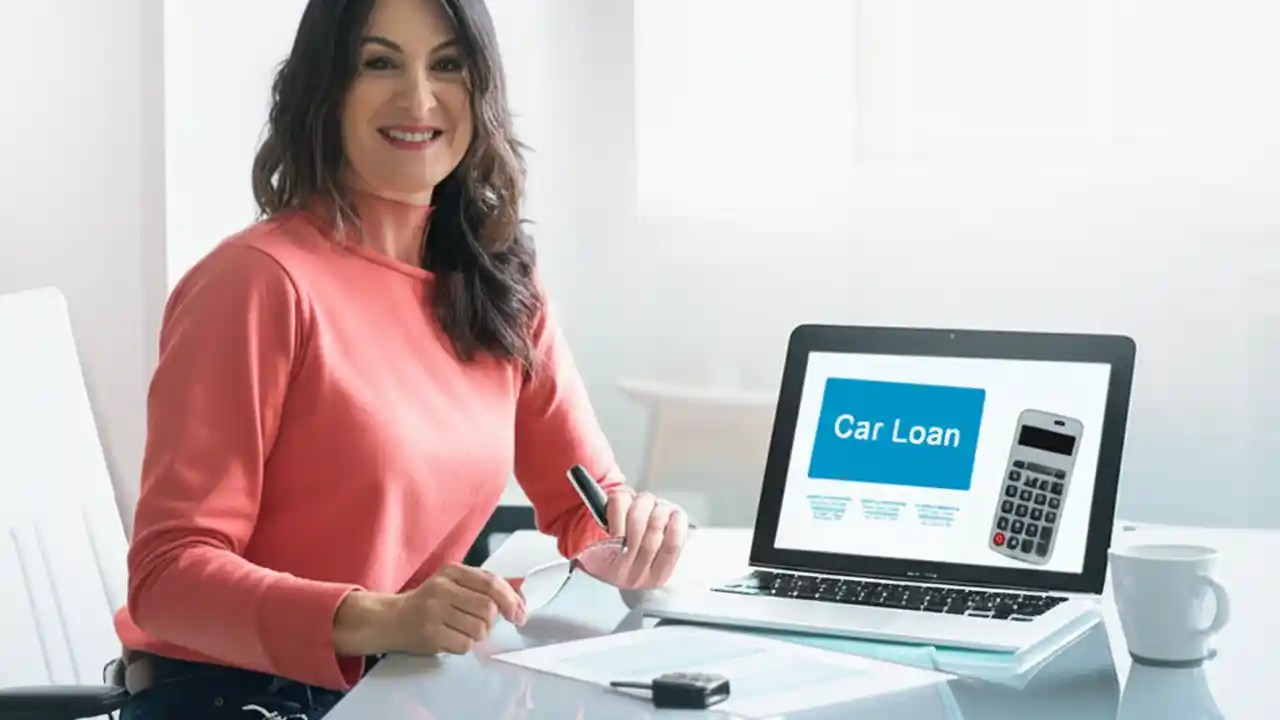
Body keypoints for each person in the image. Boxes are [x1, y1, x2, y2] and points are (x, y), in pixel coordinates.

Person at [114, 0, 688, 717]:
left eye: (446, 65)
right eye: (379, 62)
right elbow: (167, 580)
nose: (418, 98)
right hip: (237, 694)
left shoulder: (497, 278)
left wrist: (626, 542)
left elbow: (585, 501)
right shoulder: (256, 284)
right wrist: (383, 617)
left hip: (395, 686)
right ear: (325, 89)